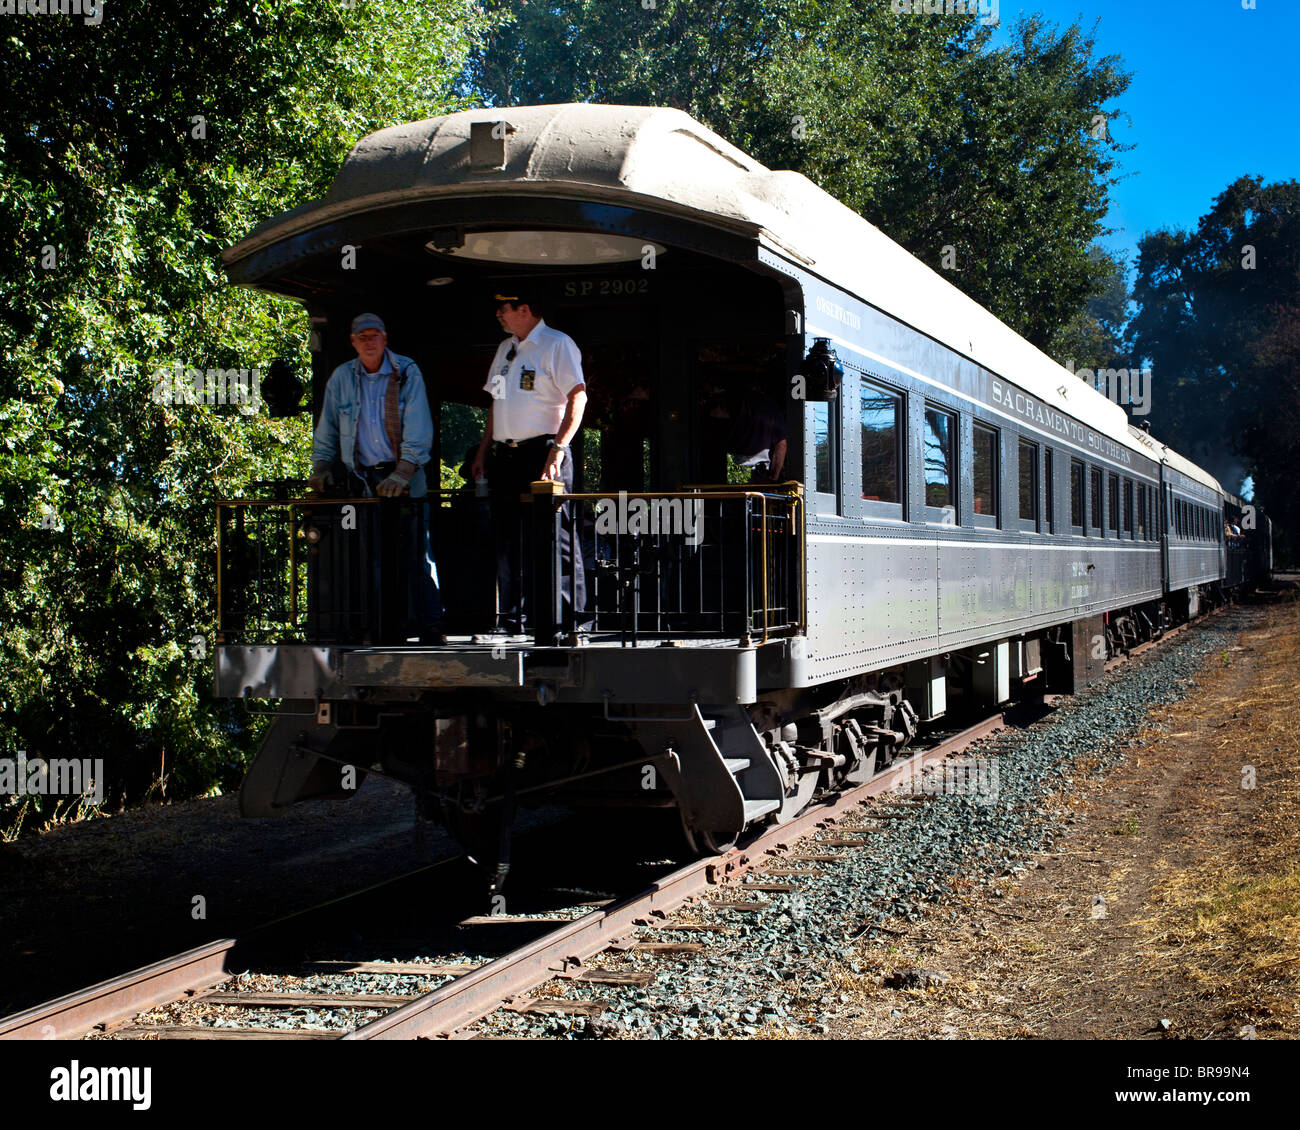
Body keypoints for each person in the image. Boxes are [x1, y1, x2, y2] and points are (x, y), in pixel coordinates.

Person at [308, 313, 442, 641]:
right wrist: (321, 467)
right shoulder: (341, 378)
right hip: (364, 482)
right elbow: (327, 429)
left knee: (416, 554)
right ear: (353, 342)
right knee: (370, 556)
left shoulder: (407, 372)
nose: (370, 341)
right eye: (362, 336)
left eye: (375, 335)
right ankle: (381, 630)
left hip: (406, 479)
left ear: (385, 338)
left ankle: (431, 627)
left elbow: (419, 427)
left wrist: (403, 472)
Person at [470, 291, 587, 637]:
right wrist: (482, 451)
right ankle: (511, 621)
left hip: (544, 452)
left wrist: (559, 449)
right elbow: (496, 402)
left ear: (525, 309)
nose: (498, 314)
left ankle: (572, 623)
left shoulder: (556, 343)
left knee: (557, 535)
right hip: (507, 455)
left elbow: (577, 395)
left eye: (503, 309)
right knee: (508, 539)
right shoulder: (506, 348)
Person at [727, 390, 788, 483]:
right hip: (759, 475)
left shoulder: (734, 402)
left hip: (732, 471)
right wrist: (774, 478)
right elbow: (781, 445)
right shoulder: (772, 410)